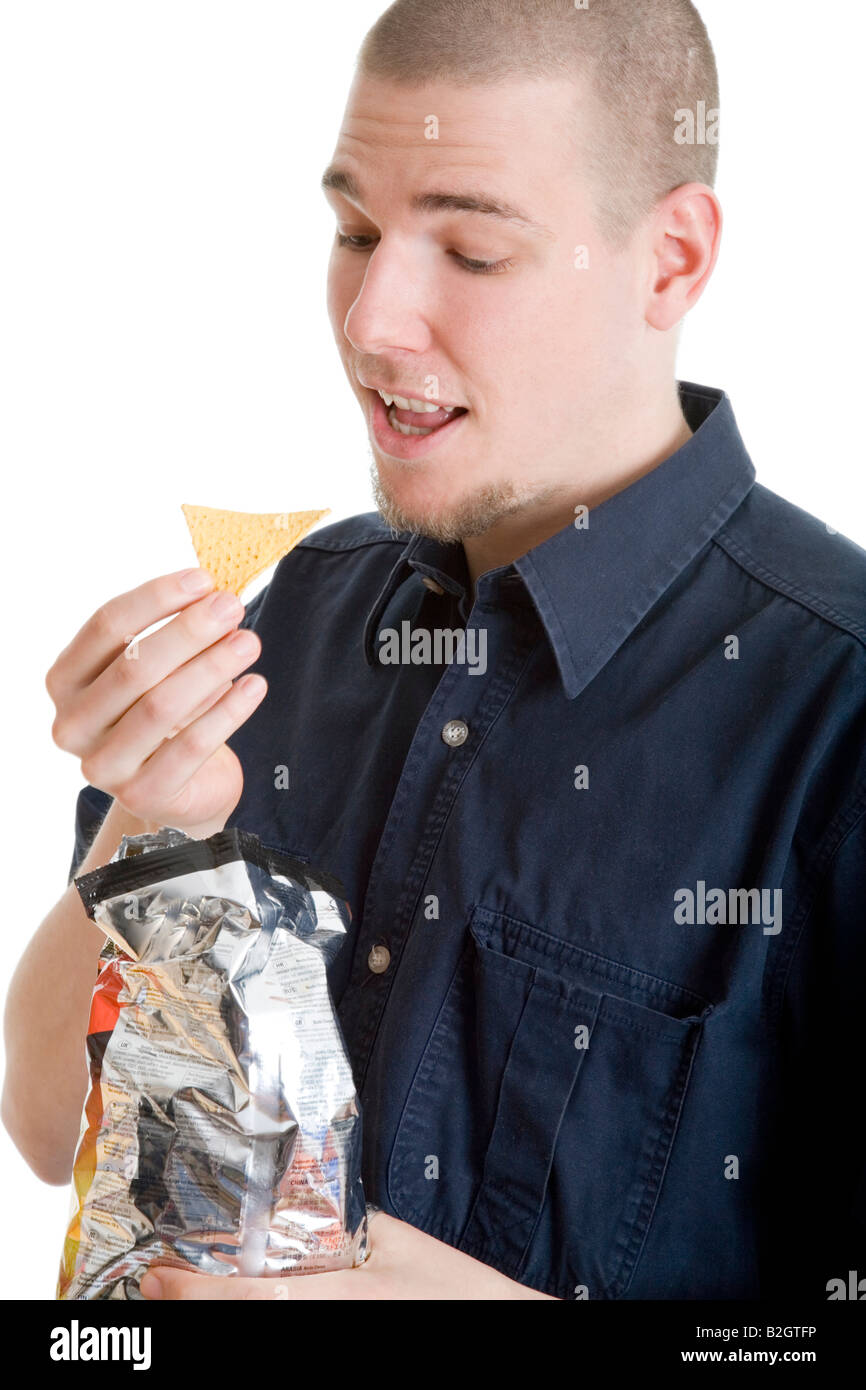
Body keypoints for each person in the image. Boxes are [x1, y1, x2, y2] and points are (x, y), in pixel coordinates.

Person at [4, 0, 865, 1301]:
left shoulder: (835, 711)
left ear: (669, 261)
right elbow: (42, 1117)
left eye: (468, 249)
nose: (369, 319)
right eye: (354, 230)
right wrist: (151, 825)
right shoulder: (293, 611)